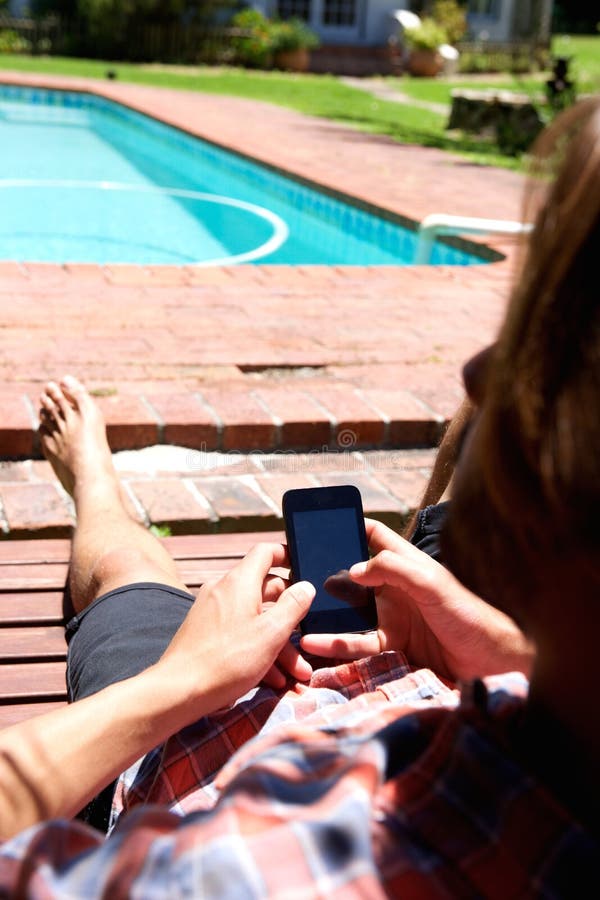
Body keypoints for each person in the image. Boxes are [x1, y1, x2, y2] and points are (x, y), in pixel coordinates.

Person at [0, 94, 598, 895]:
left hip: (185, 738)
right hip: (417, 681)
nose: (481, 369)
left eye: (542, 344)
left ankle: (95, 476)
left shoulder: (253, 869)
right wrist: (511, 661)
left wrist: (174, 686)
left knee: (133, 575)